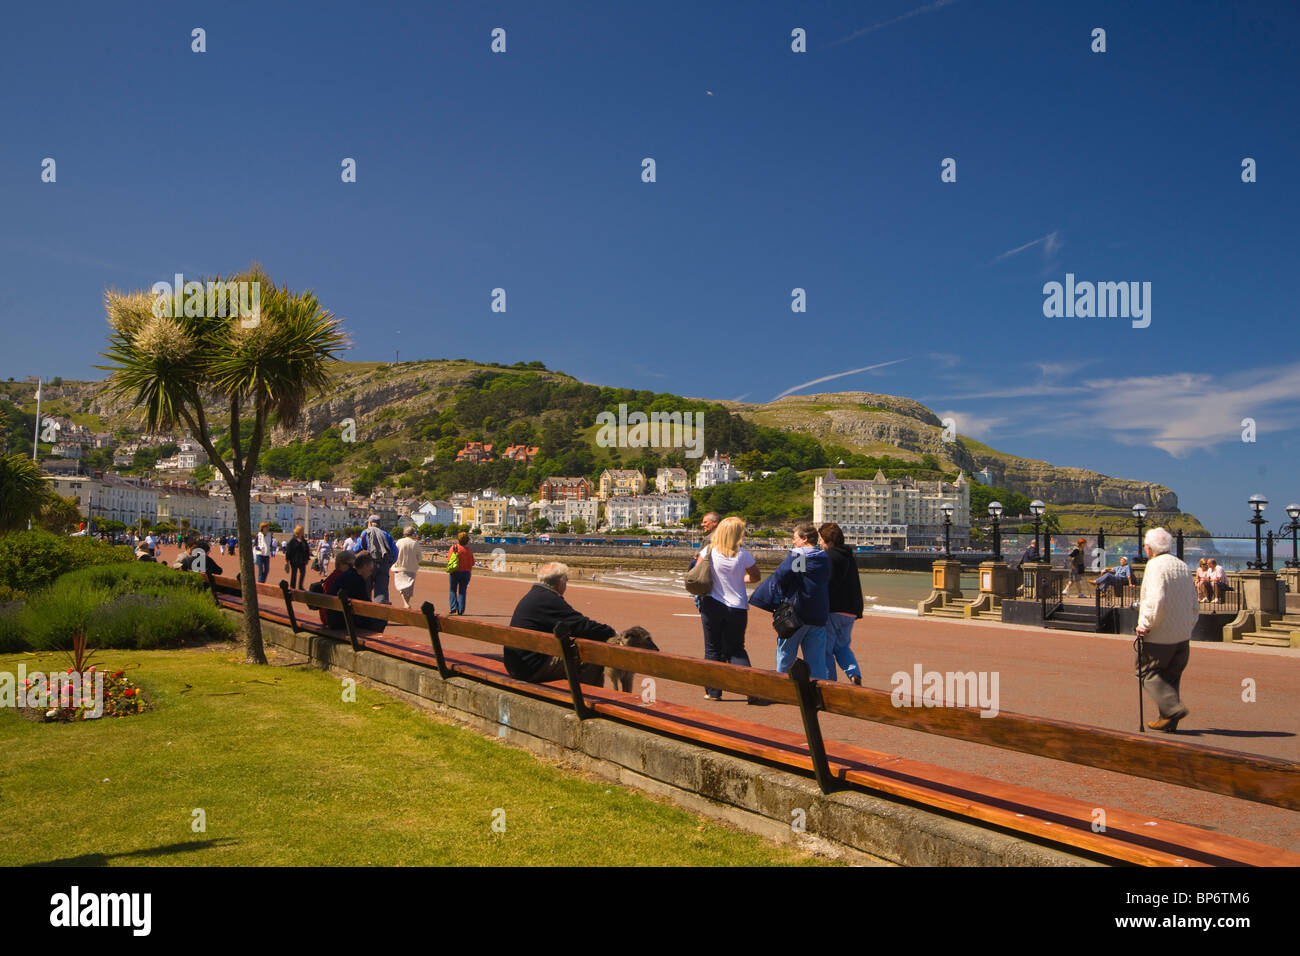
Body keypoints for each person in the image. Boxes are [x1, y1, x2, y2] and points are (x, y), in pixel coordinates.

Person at [506, 562, 616, 685]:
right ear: (560, 581)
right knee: (593, 655)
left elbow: (573, 623)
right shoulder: (548, 600)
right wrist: (611, 632)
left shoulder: (535, 595)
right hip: (530, 668)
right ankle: (588, 698)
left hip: (517, 663)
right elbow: (582, 626)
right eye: (566, 580)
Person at [1135, 528, 1199, 732]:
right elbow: (1194, 601)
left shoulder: (1154, 566)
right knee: (1171, 677)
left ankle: (1172, 709)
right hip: (1182, 635)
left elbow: (1154, 599)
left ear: (1149, 548)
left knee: (1145, 672)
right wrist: (1189, 625)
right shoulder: (1182, 565)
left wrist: (1144, 625)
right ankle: (1168, 720)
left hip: (1160, 635)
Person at [750, 522, 831, 680]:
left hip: (797, 613)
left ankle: (784, 690)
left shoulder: (800, 554)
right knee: (816, 661)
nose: (793, 542)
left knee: (786, 655)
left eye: (795, 538)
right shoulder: (823, 557)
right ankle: (818, 693)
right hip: (819, 613)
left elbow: (783, 576)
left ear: (804, 538)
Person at [697, 516, 761, 701]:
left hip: (712, 604)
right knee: (737, 649)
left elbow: (697, 573)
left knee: (712, 650)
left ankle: (714, 692)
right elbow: (755, 576)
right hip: (738, 607)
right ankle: (752, 690)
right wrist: (740, 580)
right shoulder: (743, 555)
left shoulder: (708, 550)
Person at [819, 522, 864, 685]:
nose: (819, 543)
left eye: (821, 539)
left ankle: (829, 684)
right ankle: (854, 674)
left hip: (834, 610)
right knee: (842, 646)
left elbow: (829, 583)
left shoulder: (829, 557)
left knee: (826, 649)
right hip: (850, 611)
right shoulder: (849, 556)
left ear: (829, 541)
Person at [329, 552, 388, 632]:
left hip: (335, 620)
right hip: (346, 624)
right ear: (364, 567)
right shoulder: (358, 580)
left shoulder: (346, 575)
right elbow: (365, 605)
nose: (371, 574)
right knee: (382, 618)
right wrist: (381, 607)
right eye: (370, 570)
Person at [351, 515, 397, 605]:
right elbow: (395, 553)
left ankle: (365, 615)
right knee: (381, 594)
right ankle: (380, 616)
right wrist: (388, 565)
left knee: (365, 592)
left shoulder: (365, 533)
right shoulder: (387, 535)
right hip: (383, 565)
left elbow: (356, 549)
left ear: (370, 523)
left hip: (368, 565)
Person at [688, 512, 721, 613]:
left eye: (705, 522)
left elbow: (701, 563)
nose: (702, 525)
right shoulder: (727, 538)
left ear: (714, 522)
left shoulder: (709, 539)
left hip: (707, 584)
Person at [318, 550, 355, 625]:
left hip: (326, 617)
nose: (353, 568)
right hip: (336, 620)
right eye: (350, 565)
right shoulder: (343, 579)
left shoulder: (331, 577)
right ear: (341, 564)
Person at [446, 531, 475, 615]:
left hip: (455, 571)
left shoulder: (454, 548)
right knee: (462, 591)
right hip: (466, 572)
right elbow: (472, 563)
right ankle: (461, 610)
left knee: (452, 589)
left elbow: (449, 559)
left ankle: (453, 607)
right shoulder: (469, 551)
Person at [393, 526, 423, 609]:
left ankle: (405, 603)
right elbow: (420, 558)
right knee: (409, 588)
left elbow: (394, 554)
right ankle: (406, 603)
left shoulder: (399, 542)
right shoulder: (415, 543)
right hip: (411, 568)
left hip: (399, 567)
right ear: (413, 534)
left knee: (401, 587)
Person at [284, 525, 311, 590]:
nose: (303, 531)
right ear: (298, 531)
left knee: (303, 573)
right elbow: (288, 551)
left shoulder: (304, 540)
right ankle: (292, 587)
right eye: (302, 530)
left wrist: (307, 558)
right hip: (294, 560)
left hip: (302, 560)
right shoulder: (293, 541)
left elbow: (307, 550)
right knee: (294, 574)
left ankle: (300, 586)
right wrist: (287, 561)